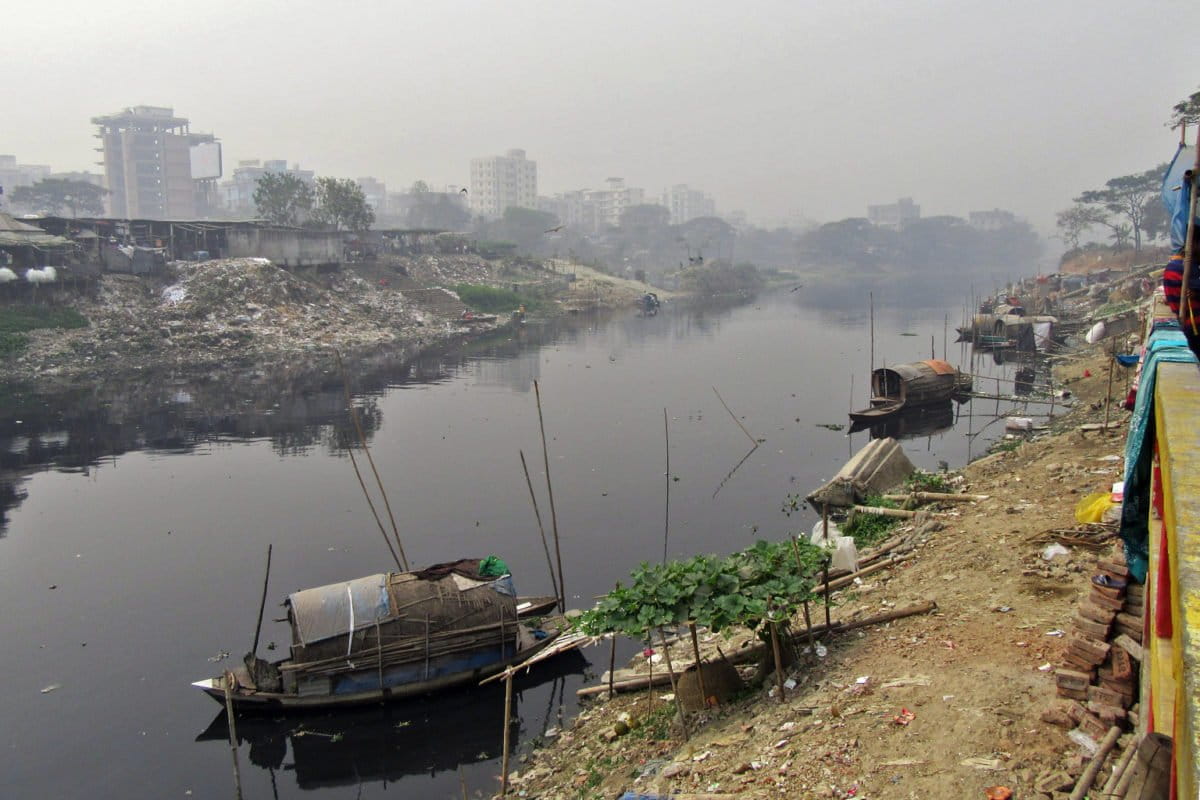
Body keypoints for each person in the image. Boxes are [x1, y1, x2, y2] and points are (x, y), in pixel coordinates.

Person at [1162, 231, 1200, 359]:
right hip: (1194, 326)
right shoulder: (1188, 268)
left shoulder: (1173, 267)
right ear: (1194, 244)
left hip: (1187, 324)